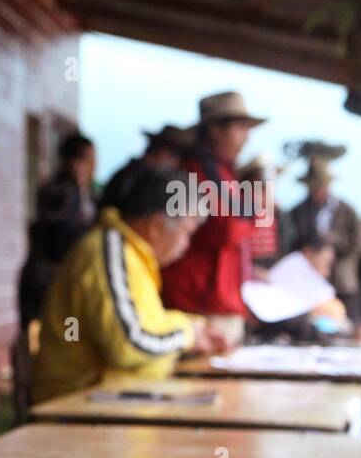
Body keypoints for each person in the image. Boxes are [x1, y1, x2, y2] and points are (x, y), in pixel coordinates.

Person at [32, 165, 229, 403]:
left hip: (109, 399)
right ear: (156, 226)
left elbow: (141, 325)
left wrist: (193, 328)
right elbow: (129, 344)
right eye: (187, 233)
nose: (185, 246)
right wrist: (188, 334)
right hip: (80, 405)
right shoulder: (108, 253)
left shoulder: (129, 255)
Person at [160, 91, 267, 346]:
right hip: (196, 307)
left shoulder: (223, 174)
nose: (246, 136)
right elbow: (224, 231)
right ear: (216, 131)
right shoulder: (190, 173)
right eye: (240, 127)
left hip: (221, 305)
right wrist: (252, 211)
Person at [18, 132, 97, 326]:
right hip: (49, 281)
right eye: (88, 160)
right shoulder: (56, 192)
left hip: (71, 281)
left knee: (72, 337)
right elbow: (62, 236)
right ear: (71, 162)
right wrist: (75, 192)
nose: (94, 166)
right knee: (50, 334)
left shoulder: (91, 195)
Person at [288, 156, 361, 320]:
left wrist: (332, 244)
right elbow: (290, 243)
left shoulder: (346, 211)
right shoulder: (298, 212)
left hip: (342, 283)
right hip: (307, 284)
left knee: (349, 326)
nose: (317, 190)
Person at [98, 124, 192, 212]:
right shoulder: (137, 178)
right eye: (174, 156)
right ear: (162, 153)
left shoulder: (134, 173)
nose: (176, 164)